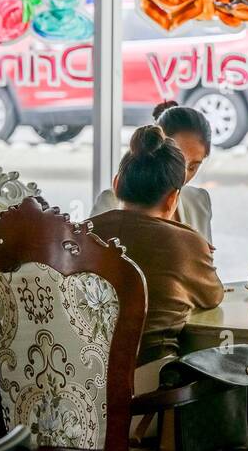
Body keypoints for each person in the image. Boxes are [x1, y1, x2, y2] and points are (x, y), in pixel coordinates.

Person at [89, 125, 226, 393]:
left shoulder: (79, 235)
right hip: (147, 398)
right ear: (173, 198)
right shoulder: (187, 244)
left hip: (80, 393)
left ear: (117, 184)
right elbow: (213, 296)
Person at [93, 100, 214, 243]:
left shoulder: (199, 202)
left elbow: (208, 262)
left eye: (193, 167)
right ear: (156, 148)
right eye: (177, 162)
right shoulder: (111, 202)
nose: (183, 175)